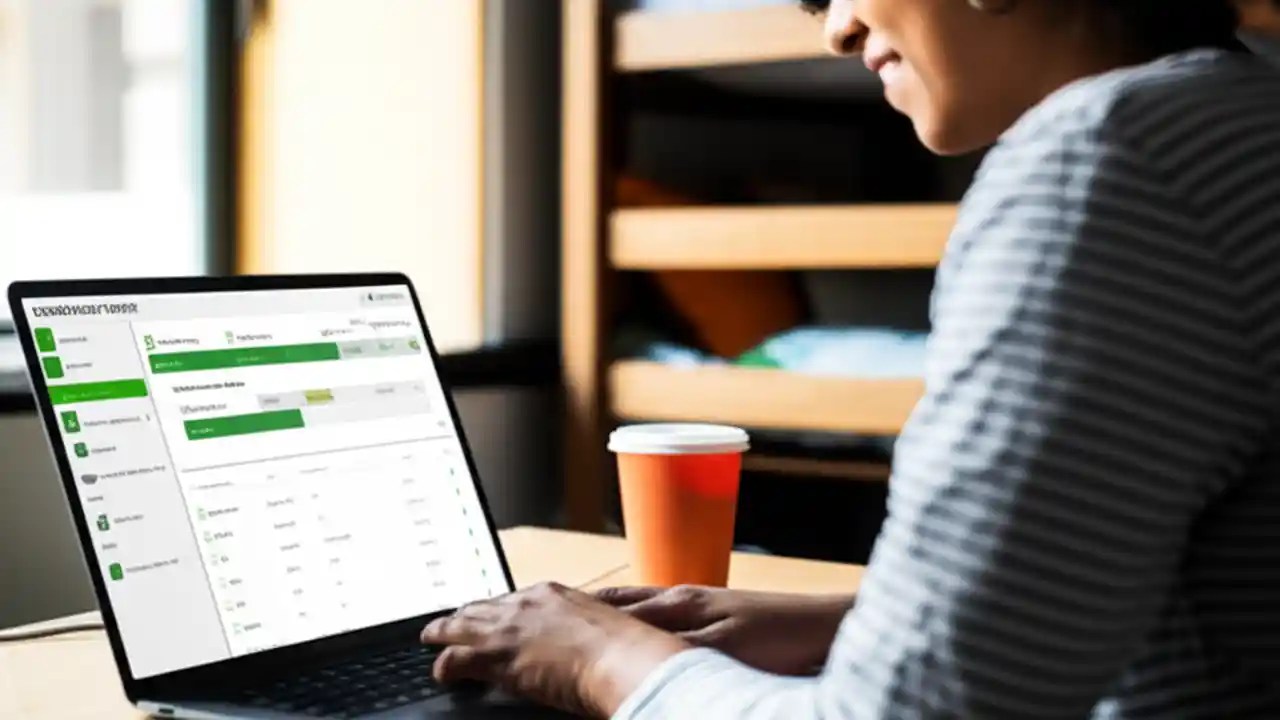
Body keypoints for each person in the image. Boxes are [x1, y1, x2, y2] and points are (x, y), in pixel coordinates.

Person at [421, 0, 1280, 716]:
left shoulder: (1105, 158)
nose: (835, 28)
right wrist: (861, 620)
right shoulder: (1242, 119)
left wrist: (597, 659)